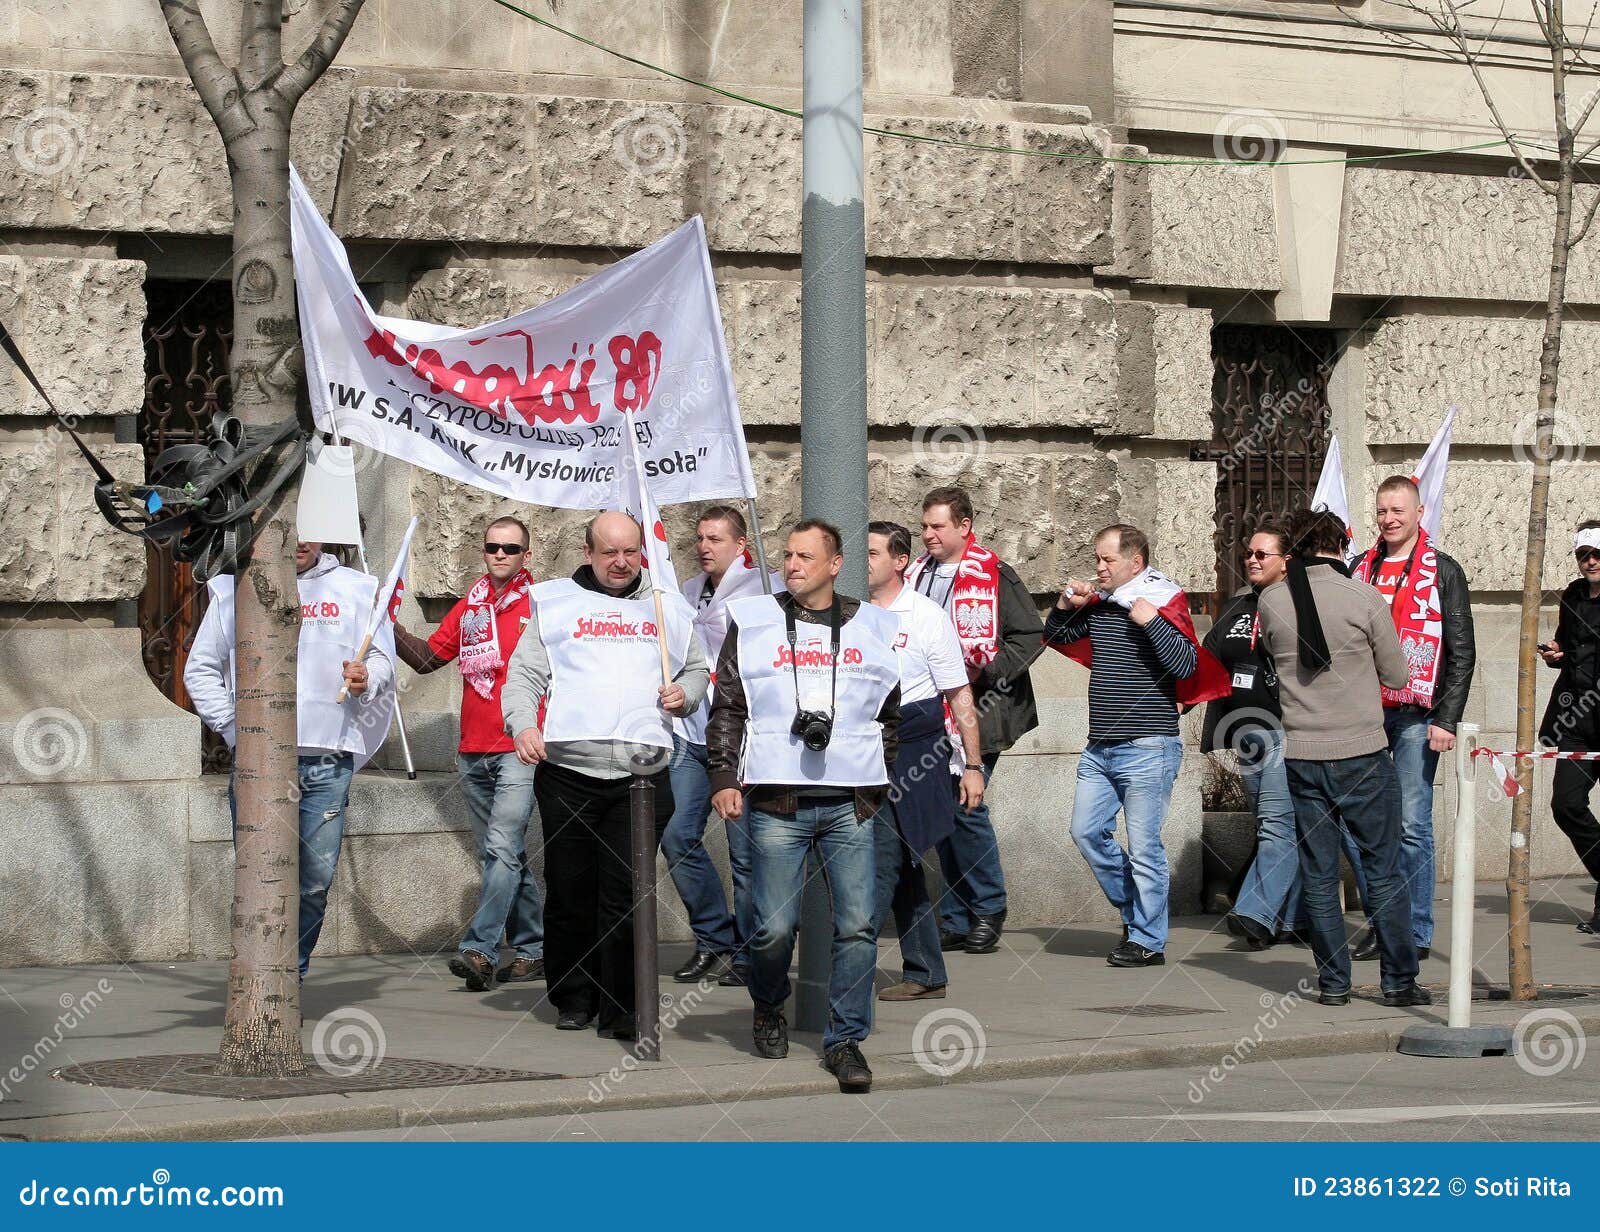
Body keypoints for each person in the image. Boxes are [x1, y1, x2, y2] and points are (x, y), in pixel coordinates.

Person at [706, 520, 901, 1093]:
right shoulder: (754, 622)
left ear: (835, 564)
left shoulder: (874, 626)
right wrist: (723, 774)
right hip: (776, 801)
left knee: (859, 926)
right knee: (770, 928)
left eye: (805, 556)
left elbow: (890, 713)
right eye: (788, 555)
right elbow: (728, 706)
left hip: (851, 804)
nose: (792, 564)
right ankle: (769, 1005)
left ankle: (845, 1040)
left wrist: (878, 775)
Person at [500, 512, 708, 1040]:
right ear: (589, 552)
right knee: (571, 888)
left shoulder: (667, 608)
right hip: (571, 770)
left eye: (630, 552)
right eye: (609, 552)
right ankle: (574, 994)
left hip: (641, 777)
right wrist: (523, 725)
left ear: (643, 552)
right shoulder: (557, 603)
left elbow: (698, 667)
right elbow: (524, 674)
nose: (621, 562)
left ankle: (625, 1006)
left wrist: (686, 693)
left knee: (627, 892)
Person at [185, 539, 395, 979]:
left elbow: (382, 661)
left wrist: (367, 679)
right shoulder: (234, 588)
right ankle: (259, 978)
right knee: (257, 875)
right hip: (258, 763)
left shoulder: (356, 589)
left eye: (309, 529)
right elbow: (200, 669)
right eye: (291, 527)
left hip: (327, 760)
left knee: (315, 881)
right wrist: (234, 727)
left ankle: (290, 976)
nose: (299, 539)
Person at [1256, 507, 1428, 1008]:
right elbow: (1397, 677)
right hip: (1362, 753)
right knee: (1382, 870)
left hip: (1302, 755)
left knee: (1318, 873)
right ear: (1339, 545)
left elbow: (1273, 659)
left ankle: (1334, 983)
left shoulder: (1271, 600)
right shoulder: (1363, 595)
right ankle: (1398, 981)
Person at [1045, 524, 1226, 968]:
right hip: (1100, 746)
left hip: (1149, 745)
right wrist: (1065, 605)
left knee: (1145, 846)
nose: (1100, 567)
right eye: (1097, 559)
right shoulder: (1106, 604)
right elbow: (1058, 636)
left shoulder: (1161, 601)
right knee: (1085, 832)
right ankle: (1136, 912)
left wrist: (1151, 622)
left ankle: (1148, 940)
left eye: (1108, 560)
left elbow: (1185, 664)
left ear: (1135, 563)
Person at [392, 515, 545, 992]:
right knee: (503, 852)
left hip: (519, 747)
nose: (500, 555)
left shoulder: (541, 605)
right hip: (472, 749)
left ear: (526, 555)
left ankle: (480, 949)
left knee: (500, 849)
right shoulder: (470, 605)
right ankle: (534, 948)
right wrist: (383, 623)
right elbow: (427, 659)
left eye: (510, 549)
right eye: (493, 547)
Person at [1345, 476, 1476, 961]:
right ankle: (1384, 921)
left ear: (1420, 513)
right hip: (1363, 712)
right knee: (1357, 823)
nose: (1389, 519)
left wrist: (1447, 717)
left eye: (1398, 510)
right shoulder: (1359, 568)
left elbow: (1462, 651)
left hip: (1419, 716)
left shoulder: (1443, 570)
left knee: (1410, 825)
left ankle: (1414, 932)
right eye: (1382, 511)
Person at [906, 485, 1040, 955]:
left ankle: (987, 907)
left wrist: (989, 669)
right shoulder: (918, 575)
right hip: (928, 707)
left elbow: (1030, 635)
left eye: (937, 526)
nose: (927, 535)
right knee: (945, 812)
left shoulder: (995, 573)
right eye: (924, 526)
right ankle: (958, 915)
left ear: (964, 527)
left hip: (982, 707)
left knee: (966, 805)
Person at [866, 521, 986, 1000]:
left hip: (914, 748)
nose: (863, 561)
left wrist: (973, 766)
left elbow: (958, 694)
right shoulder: (850, 613)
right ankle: (927, 972)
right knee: (901, 863)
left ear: (899, 561)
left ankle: (841, 970)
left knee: (882, 861)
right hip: (864, 747)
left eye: (872, 552)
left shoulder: (925, 615)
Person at [662, 505, 779, 987]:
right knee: (675, 835)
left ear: (740, 545)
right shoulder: (687, 592)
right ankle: (715, 937)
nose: (705, 547)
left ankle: (753, 953)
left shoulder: (766, 589)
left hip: (740, 741)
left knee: (745, 855)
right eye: (700, 539)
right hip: (691, 734)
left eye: (715, 539)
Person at [1202, 522, 1308, 950]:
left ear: (1287, 562)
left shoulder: (1300, 607)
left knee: (1276, 826)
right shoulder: (1237, 606)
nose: (1252, 559)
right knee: (1278, 827)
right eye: (1249, 553)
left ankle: (1254, 912)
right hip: (1247, 735)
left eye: (1263, 554)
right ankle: (1293, 919)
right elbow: (1206, 658)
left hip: (1290, 731)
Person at [1539, 520, 1600, 935]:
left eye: (1597, 554)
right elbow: (1568, 644)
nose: (1591, 561)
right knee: (1566, 803)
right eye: (1584, 555)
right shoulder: (1574, 596)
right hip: (1577, 715)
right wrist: (1556, 653)